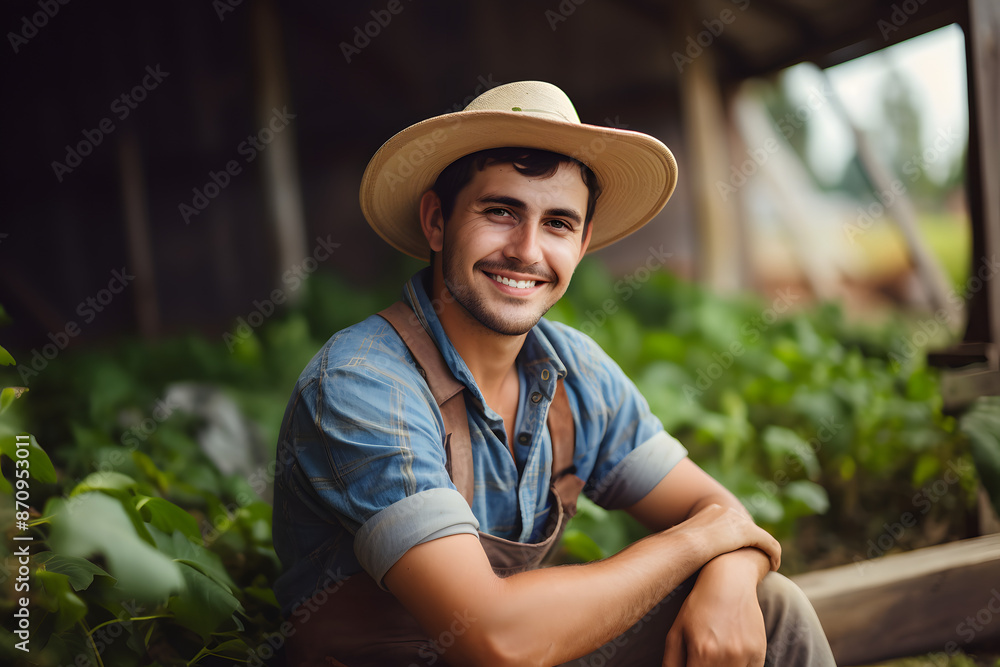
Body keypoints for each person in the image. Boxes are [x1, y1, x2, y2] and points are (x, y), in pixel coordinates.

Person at [272, 80, 837, 666]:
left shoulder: (574, 371)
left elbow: (726, 515)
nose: (526, 250)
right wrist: (698, 543)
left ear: (584, 241)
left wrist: (728, 572)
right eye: (500, 211)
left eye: (559, 224)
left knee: (773, 608)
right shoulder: (362, 382)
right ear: (437, 221)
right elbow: (494, 637)